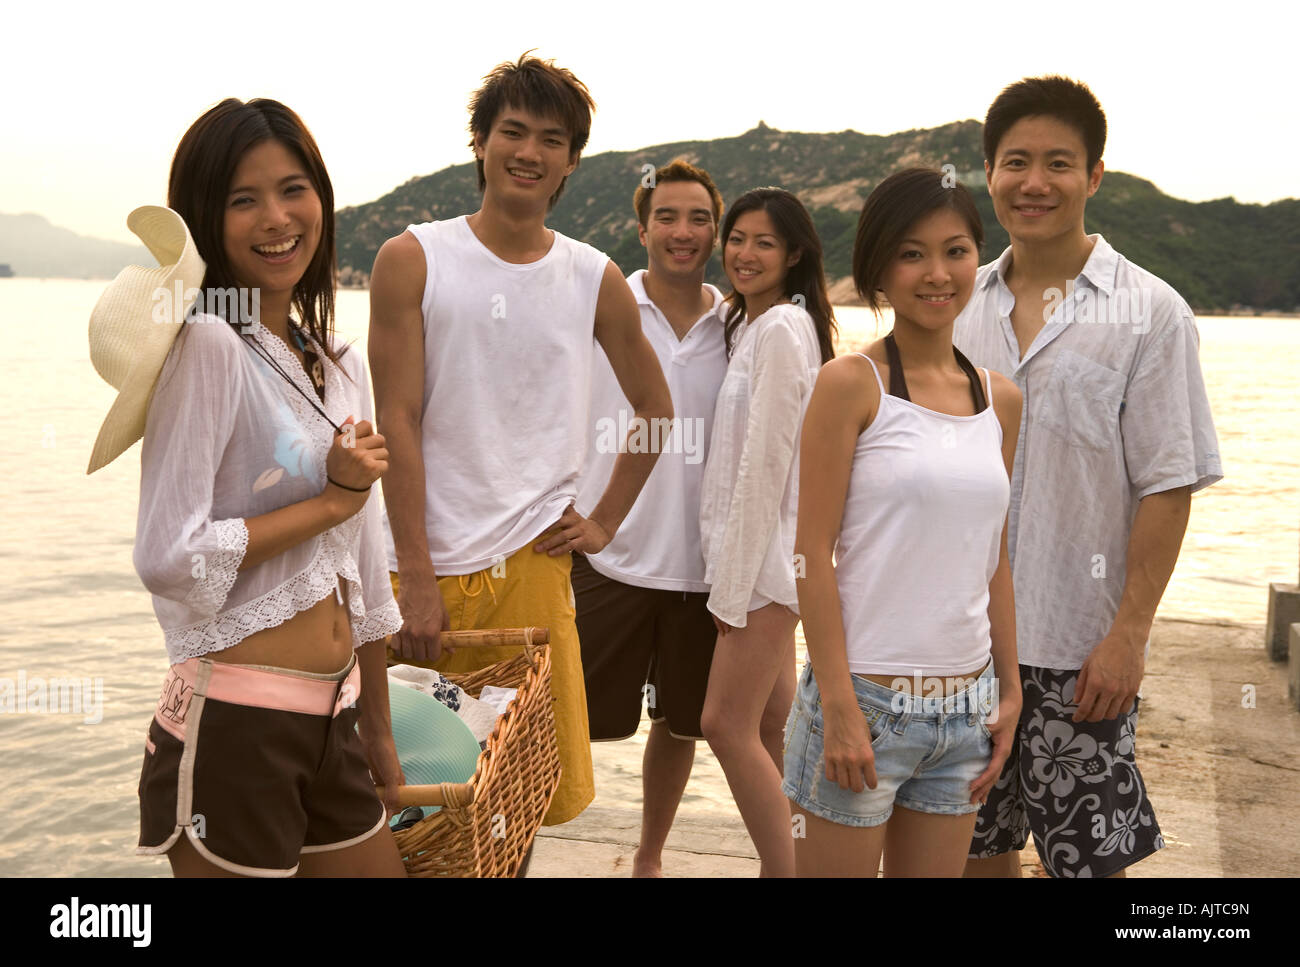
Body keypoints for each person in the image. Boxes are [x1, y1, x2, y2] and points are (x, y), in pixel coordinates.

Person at [88, 98, 406, 877]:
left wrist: (381, 730)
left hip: (334, 721)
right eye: (243, 199)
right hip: (234, 726)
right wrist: (329, 500)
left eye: (294, 189)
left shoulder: (334, 361)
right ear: (207, 218)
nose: (277, 217)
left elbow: (363, 569)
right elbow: (168, 556)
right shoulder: (209, 345)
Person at [370, 53, 673, 827]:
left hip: (535, 570)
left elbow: (657, 409)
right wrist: (417, 574)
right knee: (408, 798)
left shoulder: (592, 276)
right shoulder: (413, 258)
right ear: (480, 141)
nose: (529, 152)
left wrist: (602, 521)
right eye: (512, 131)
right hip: (421, 568)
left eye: (551, 139)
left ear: (572, 159)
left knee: (518, 795)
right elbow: (395, 421)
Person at [956, 76, 1223, 879]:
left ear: (1095, 175)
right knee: (973, 849)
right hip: (961, 644)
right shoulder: (956, 303)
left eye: (1059, 164)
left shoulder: (1152, 313)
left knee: (1090, 863)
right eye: (1016, 162)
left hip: (1080, 650)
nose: (1034, 182)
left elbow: (1167, 484)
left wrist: (1130, 633)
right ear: (990, 173)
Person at [785, 168, 1023, 877]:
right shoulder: (852, 384)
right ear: (880, 268)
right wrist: (838, 706)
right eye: (912, 253)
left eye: (955, 250)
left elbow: (994, 559)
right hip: (865, 701)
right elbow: (809, 554)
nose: (937, 272)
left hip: (967, 711)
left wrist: (1010, 689)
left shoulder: (1000, 399)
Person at [571, 158, 728, 877]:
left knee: (681, 725)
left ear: (716, 230)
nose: (682, 231)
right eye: (667, 216)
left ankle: (650, 856)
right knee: (566, 719)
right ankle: (507, 843)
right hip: (609, 552)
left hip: (702, 567)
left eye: (699, 217)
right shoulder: (602, 306)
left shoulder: (741, 323)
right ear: (643, 229)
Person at [697, 187, 836, 877]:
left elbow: (766, 466)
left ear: (794, 255)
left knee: (725, 724)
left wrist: (729, 589)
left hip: (759, 573)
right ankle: (794, 862)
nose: (745, 254)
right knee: (773, 728)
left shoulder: (781, 329)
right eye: (738, 238)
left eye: (764, 243)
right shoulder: (761, 325)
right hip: (763, 568)